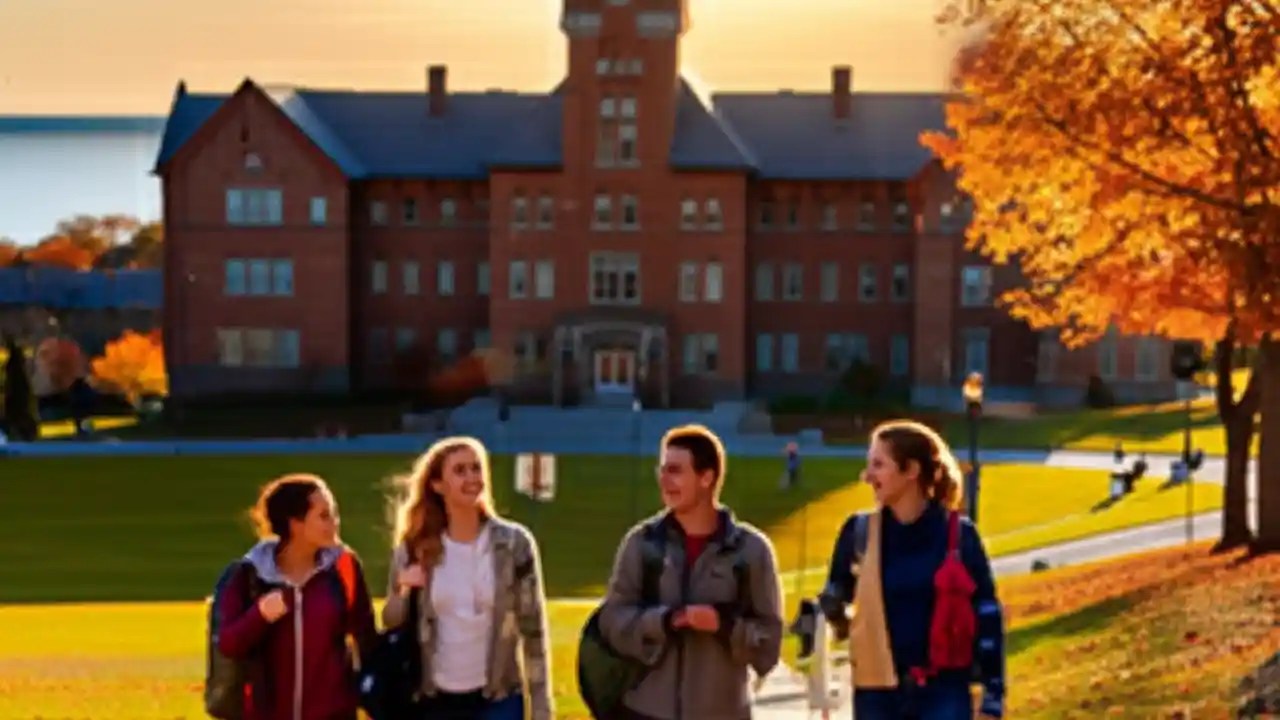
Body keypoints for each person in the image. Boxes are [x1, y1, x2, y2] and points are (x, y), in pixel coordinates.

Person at [819, 420, 1006, 719]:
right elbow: (837, 599)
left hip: (944, 694)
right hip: (877, 695)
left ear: (911, 471)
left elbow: (988, 615)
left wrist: (993, 696)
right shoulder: (859, 533)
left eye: (878, 465)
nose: (867, 476)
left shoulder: (960, 537)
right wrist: (825, 609)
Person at [597, 424, 783, 720]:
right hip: (644, 712)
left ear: (706, 478)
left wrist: (723, 626)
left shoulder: (751, 551)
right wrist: (665, 621)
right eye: (662, 469)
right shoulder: (642, 544)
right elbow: (611, 622)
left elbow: (770, 645)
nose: (664, 480)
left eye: (675, 470)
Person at [382, 436, 552, 720]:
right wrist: (402, 589)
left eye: (477, 468)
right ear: (437, 485)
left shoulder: (514, 544)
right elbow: (390, 620)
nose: (472, 477)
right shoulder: (416, 548)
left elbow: (534, 631)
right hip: (434, 700)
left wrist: (542, 709)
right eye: (460, 470)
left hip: (499, 698)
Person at [214, 473, 378, 720]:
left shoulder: (346, 567)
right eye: (324, 516)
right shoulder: (247, 575)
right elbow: (228, 643)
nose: (335, 523)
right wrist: (259, 615)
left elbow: (366, 638)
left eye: (334, 514)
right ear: (295, 523)